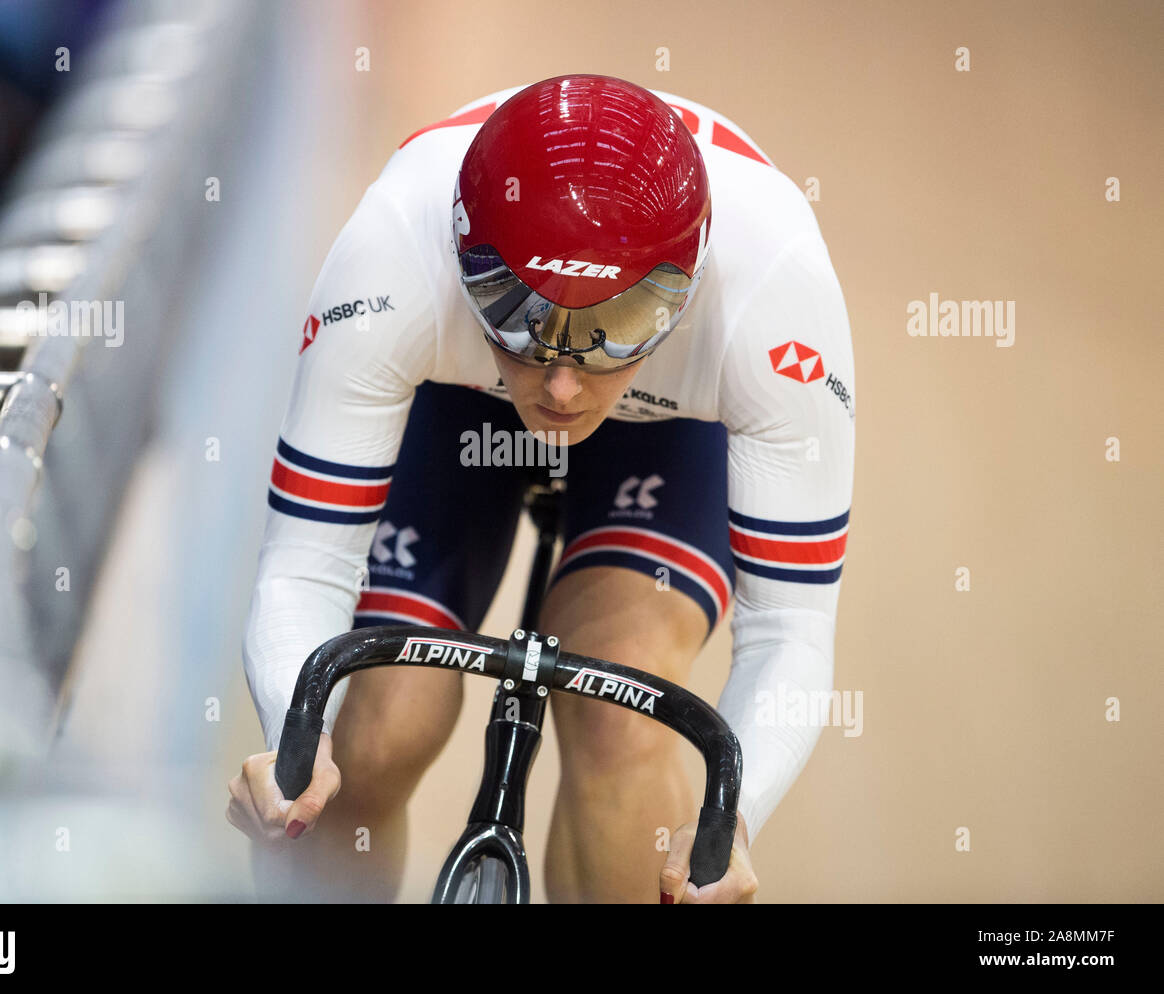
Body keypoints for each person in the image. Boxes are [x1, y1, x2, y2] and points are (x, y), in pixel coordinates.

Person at [226, 74, 855, 904]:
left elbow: (790, 633)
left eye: (612, 329)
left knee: (621, 704)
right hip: (458, 394)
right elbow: (304, 565)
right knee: (375, 728)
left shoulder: (774, 297)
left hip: (666, 424)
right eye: (519, 317)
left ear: (689, 289)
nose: (561, 387)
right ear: (460, 255)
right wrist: (294, 739)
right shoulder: (393, 253)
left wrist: (727, 822)